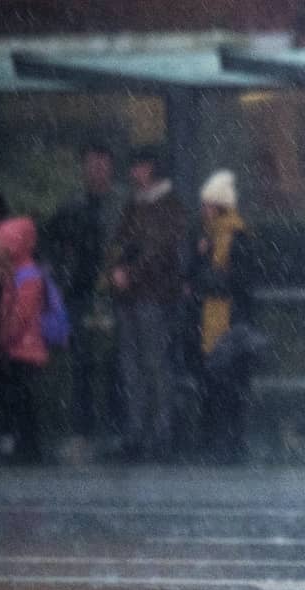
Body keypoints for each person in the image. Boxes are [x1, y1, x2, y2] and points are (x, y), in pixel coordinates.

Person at [43, 141, 126, 450]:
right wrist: (59, 272)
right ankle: (83, 429)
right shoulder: (71, 205)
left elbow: (132, 243)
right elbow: (51, 241)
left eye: (102, 164)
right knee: (81, 363)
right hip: (78, 292)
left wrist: (122, 270)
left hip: (112, 294)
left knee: (116, 362)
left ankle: (116, 430)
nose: (97, 170)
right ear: (84, 167)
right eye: (91, 164)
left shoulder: (122, 203)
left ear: (111, 167)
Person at [106, 146, 186, 461]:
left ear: (151, 169)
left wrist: (130, 273)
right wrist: (116, 269)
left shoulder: (169, 206)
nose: (133, 173)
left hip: (153, 295)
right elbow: (120, 242)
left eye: (138, 167)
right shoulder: (134, 205)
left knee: (153, 365)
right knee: (132, 367)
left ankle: (160, 432)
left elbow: (161, 249)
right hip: (131, 296)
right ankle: (137, 432)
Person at [188, 170, 258, 463]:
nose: (203, 210)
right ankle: (219, 439)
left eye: (208, 205)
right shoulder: (208, 237)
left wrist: (206, 277)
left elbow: (237, 280)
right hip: (214, 320)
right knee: (217, 381)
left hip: (229, 321)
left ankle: (227, 441)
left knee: (227, 383)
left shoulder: (236, 236)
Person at [0, 217, 49, 462]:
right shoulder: (19, 272)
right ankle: (25, 444)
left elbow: (20, 315)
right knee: (19, 399)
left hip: (24, 349)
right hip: (19, 348)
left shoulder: (26, 275)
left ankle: (28, 446)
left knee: (21, 399)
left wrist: (3, 336)